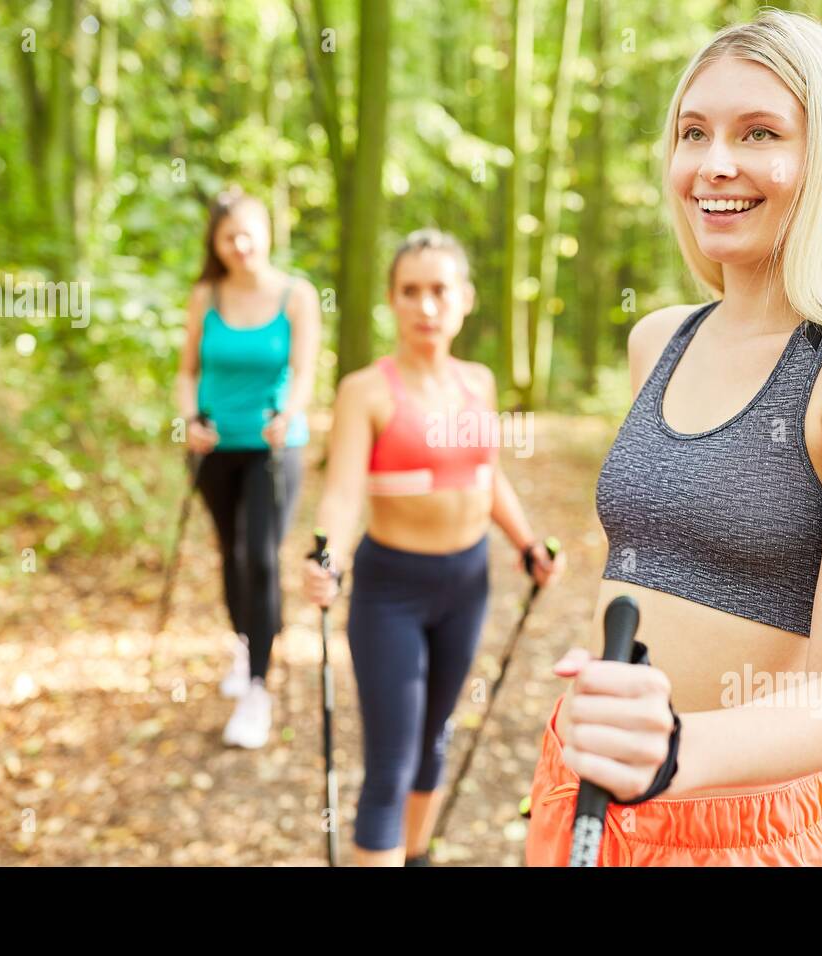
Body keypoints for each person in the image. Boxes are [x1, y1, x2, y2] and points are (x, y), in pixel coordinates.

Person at [524, 9, 822, 866]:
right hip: (580, 785)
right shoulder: (662, 338)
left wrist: (675, 753)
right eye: (693, 132)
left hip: (735, 825)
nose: (713, 163)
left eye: (759, 132)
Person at [303, 229, 566, 867]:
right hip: (391, 587)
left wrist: (527, 542)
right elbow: (342, 494)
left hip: (467, 584)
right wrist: (326, 557)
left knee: (434, 741)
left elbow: (486, 476)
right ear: (391, 300)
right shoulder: (366, 390)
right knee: (392, 760)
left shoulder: (477, 383)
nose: (426, 306)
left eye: (439, 290)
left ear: (465, 299)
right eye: (411, 291)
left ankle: (415, 855)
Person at [174, 187, 321, 749]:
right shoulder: (205, 295)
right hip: (214, 447)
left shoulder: (296, 295)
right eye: (227, 235)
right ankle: (244, 641)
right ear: (215, 242)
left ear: (267, 232)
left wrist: (291, 410)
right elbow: (186, 370)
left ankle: (259, 686)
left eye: (248, 232)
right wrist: (189, 418)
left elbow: (305, 368)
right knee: (229, 554)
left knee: (259, 556)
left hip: (272, 447)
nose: (239, 244)